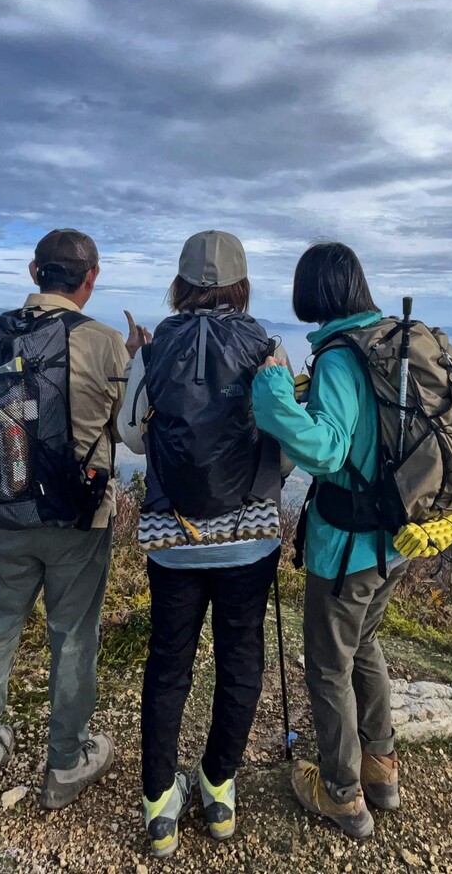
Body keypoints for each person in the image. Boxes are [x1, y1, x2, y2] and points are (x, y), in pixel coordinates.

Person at [118, 230, 292, 859]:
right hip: (248, 540)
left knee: (169, 665)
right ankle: (218, 787)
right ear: (241, 285)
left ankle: (160, 805)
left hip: (173, 539)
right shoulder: (267, 345)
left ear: (181, 284)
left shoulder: (158, 344)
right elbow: (288, 438)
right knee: (239, 661)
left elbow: (131, 438)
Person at [0, 229, 129, 810]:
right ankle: (65, 763)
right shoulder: (106, 344)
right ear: (91, 277)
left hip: (4, 510)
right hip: (80, 518)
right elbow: (128, 428)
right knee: (73, 638)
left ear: (34, 273)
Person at [249, 241, 405, 840]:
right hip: (397, 539)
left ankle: (342, 793)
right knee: (363, 644)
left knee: (327, 664)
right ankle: (381, 768)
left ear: (314, 292)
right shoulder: (391, 340)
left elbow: (326, 449)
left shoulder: (342, 359)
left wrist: (274, 396)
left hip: (348, 546)